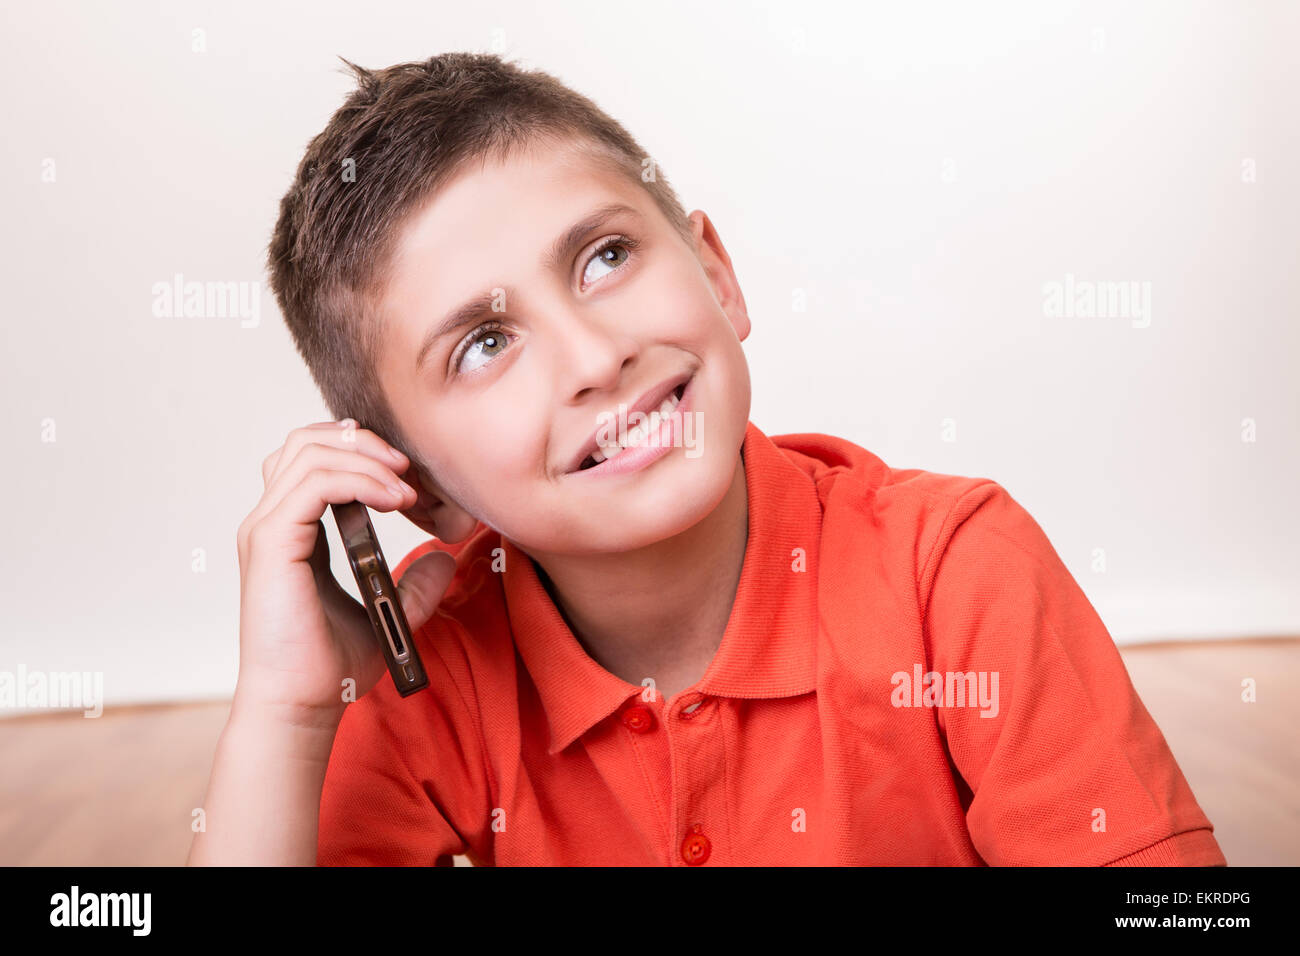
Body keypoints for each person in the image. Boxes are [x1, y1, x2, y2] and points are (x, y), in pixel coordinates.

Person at [188, 52, 1225, 866]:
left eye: (604, 257)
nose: (598, 357)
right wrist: (285, 712)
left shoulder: (951, 569)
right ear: (417, 491)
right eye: (485, 343)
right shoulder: (431, 671)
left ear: (718, 276)